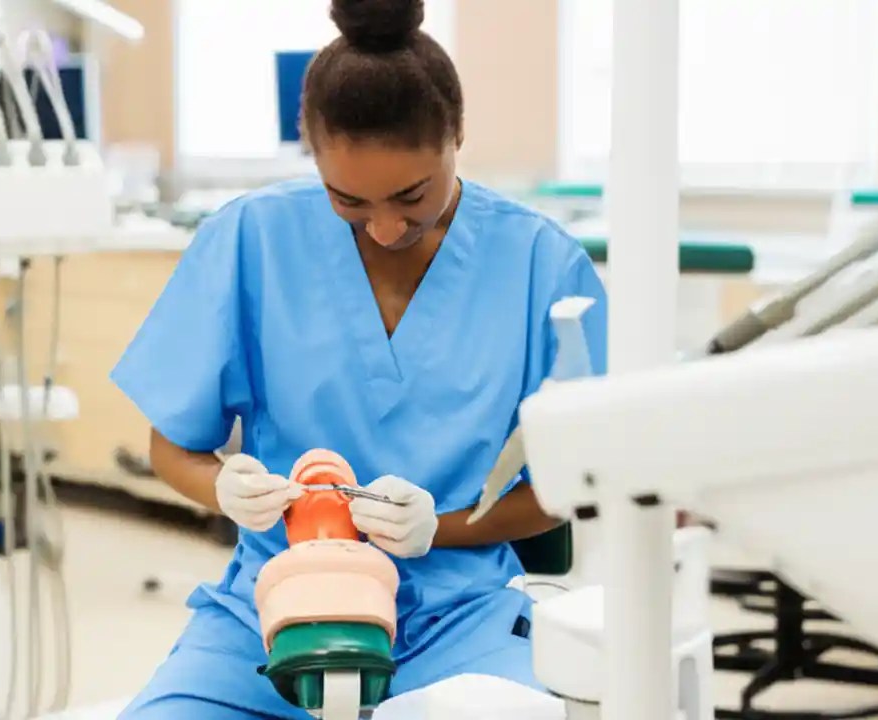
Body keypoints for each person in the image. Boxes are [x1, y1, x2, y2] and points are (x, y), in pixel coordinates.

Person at [110, 0, 607, 717]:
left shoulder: (537, 263)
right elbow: (171, 445)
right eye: (349, 201)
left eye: (414, 197)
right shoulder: (253, 239)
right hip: (275, 608)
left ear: (456, 138)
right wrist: (221, 488)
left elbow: (573, 485)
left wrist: (444, 528)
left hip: (458, 616)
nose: (384, 227)